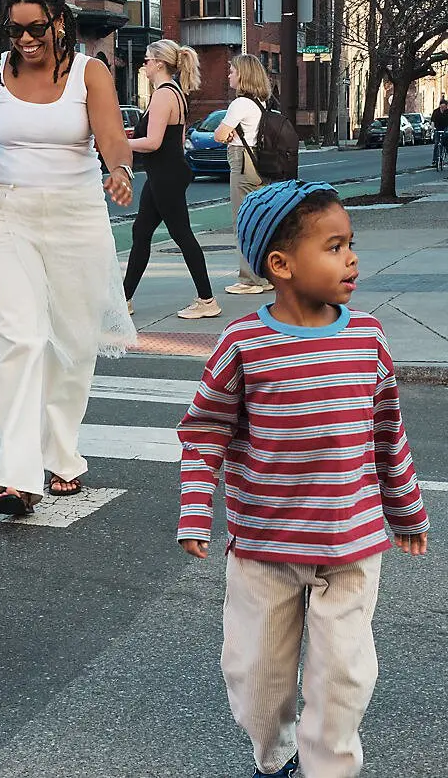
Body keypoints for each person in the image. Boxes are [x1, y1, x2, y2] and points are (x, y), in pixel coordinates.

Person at [177, 180, 429, 778]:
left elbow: (387, 430)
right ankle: (274, 758)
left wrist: (407, 509)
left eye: (351, 244)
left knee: (342, 682)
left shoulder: (367, 339)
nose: (352, 258)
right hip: (265, 548)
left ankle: (327, 769)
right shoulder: (244, 344)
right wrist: (194, 510)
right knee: (257, 683)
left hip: (351, 545)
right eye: (335, 246)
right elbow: (204, 430)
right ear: (281, 264)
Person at [0, 0, 136, 516]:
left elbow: (111, 136)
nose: (24, 39)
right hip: (7, 213)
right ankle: (16, 474)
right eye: (14, 29)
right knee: (17, 335)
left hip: (77, 216)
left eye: (35, 28)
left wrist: (119, 170)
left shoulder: (90, 72)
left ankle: (61, 451)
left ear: (59, 21)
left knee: (73, 341)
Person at [123, 39, 221, 320]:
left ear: (159, 64)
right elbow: (175, 140)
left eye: (146, 60)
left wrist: (119, 140)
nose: (144, 65)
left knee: (182, 235)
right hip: (164, 174)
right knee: (141, 232)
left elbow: (153, 142)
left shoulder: (164, 95)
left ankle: (207, 300)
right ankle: (124, 299)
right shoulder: (173, 92)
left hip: (165, 175)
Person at [214, 53, 274, 296]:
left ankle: (250, 279)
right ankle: (264, 276)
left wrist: (225, 134)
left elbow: (219, 135)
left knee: (243, 221)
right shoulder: (260, 102)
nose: (229, 75)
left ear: (243, 75)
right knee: (260, 221)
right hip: (259, 163)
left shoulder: (239, 104)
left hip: (242, 162)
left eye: (232, 71)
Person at [430, 98, 448, 165]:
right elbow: (432, 121)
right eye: (442, 107)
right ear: (440, 106)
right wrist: (433, 128)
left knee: (446, 140)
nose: (443, 108)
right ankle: (434, 160)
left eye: (444, 107)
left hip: (446, 127)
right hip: (438, 128)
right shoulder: (436, 112)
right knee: (436, 143)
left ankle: (445, 150)